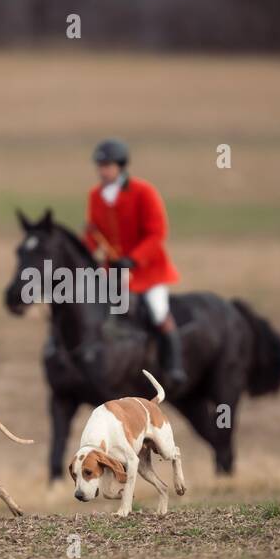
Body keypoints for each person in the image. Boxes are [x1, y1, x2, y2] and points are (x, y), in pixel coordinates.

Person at [82, 138, 186, 392]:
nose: (102, 170)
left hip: (148, 271)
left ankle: (175, 367)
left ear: (120, 166)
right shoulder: (95, 196)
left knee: (158, 311)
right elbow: (93, 234)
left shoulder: (144, 191)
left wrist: (134, 259)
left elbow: (157, 233)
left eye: (107, 165)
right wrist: (90, 250)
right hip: (113, 274)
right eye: (100, 165)